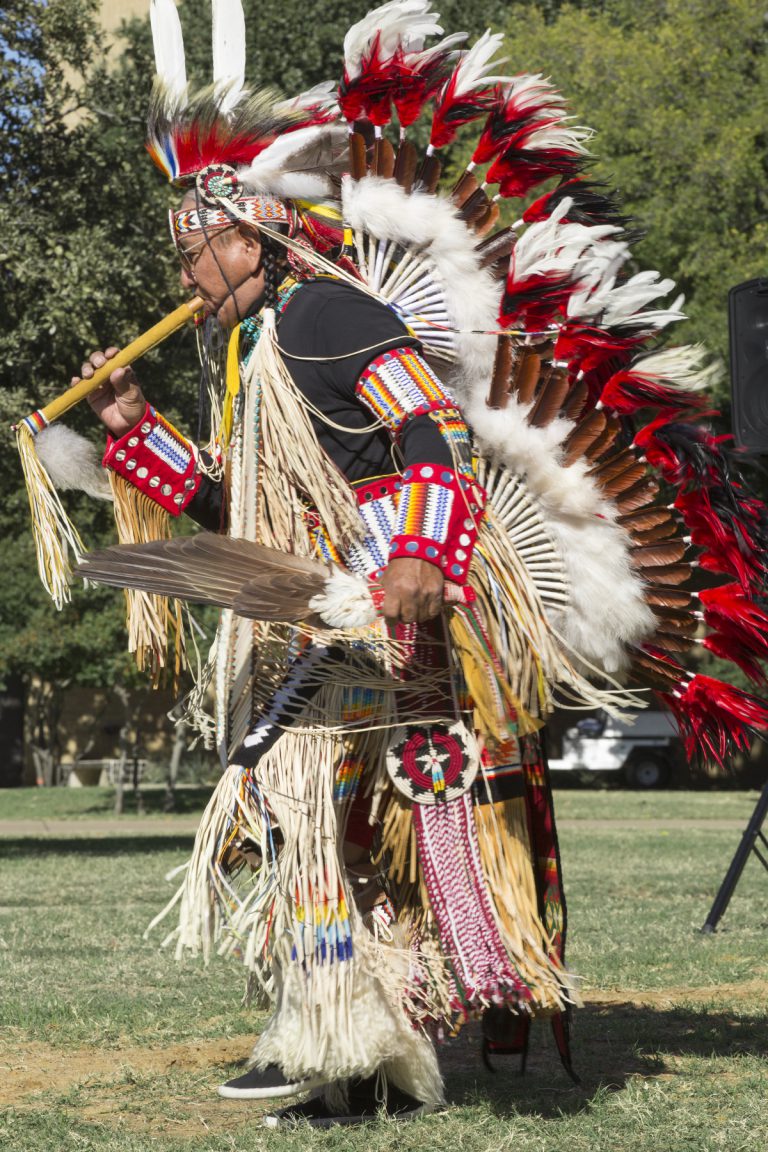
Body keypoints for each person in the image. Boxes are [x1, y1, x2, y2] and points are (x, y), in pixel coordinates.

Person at [62, 0, 768, 1131]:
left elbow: (429, 427)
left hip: (412, 614)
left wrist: (424, 560)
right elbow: (248, 505)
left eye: (191, 252)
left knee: (329, 811)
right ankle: (343, 1042)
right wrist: (131, 424)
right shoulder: (268, 350)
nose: (186, 277)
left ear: (243, 237)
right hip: (345, 608)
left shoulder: (328, 316)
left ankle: (350, 1046)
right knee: (312, 820)